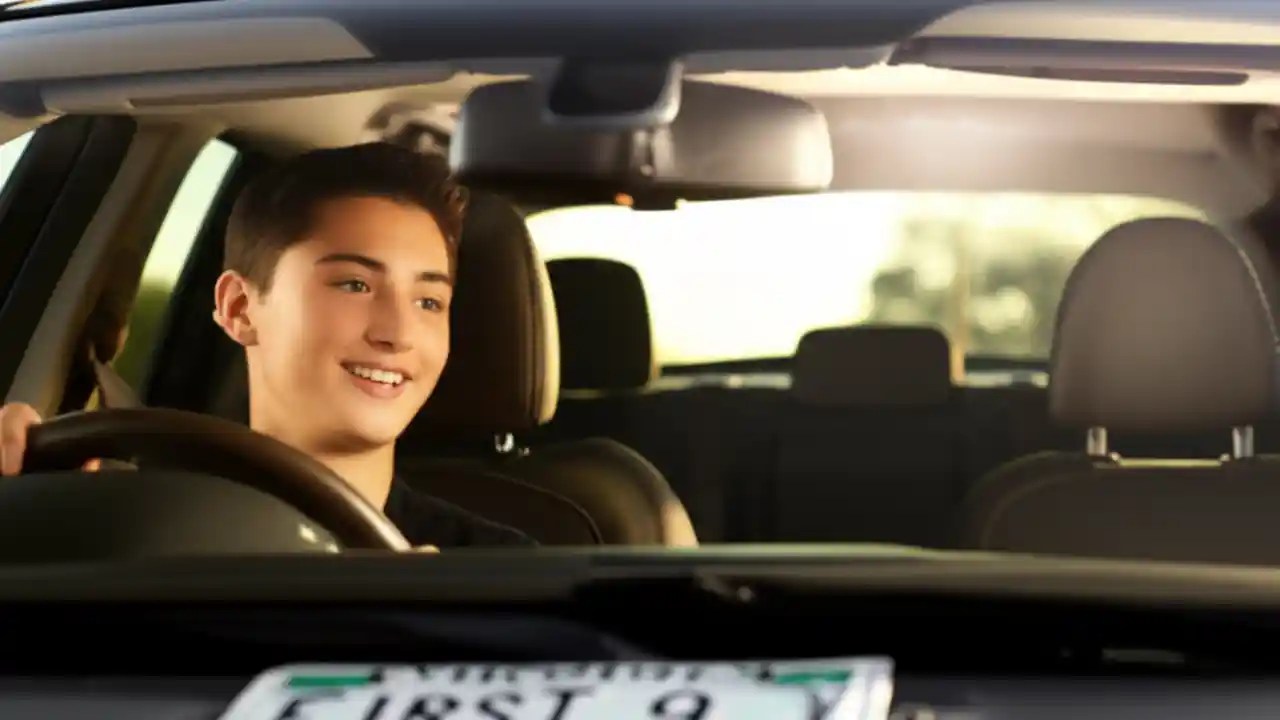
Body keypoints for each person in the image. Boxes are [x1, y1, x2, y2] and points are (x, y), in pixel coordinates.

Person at [0, 142, 534, 549]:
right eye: (354, 285)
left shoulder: (500, 575)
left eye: (429, 302)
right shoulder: (126, 523)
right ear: (239, 307)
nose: (397, 333)